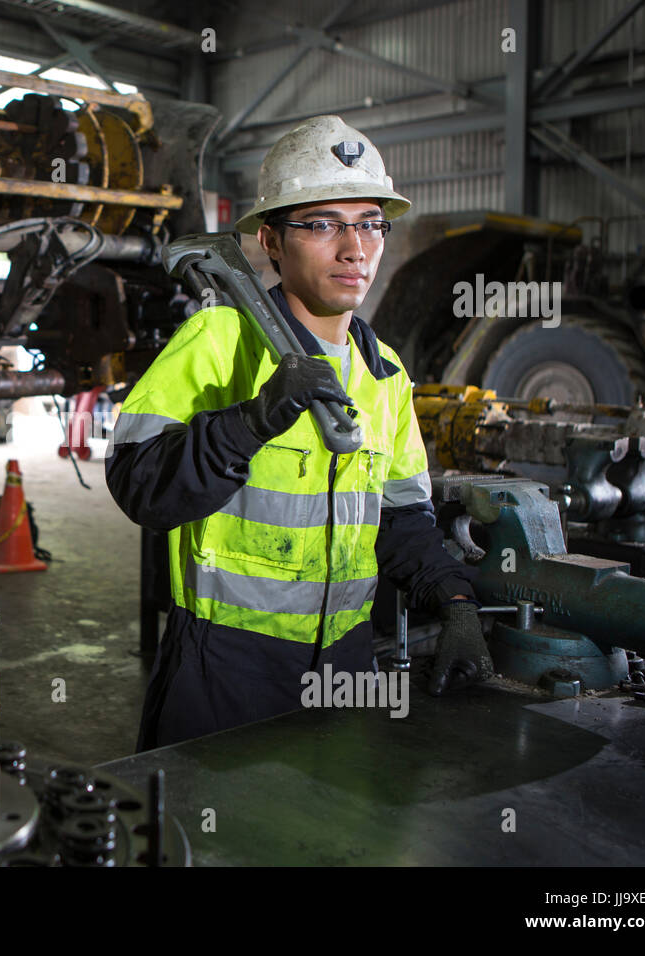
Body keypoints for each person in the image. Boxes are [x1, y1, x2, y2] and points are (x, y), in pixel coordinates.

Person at [106, 115, 493, 751]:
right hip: (225, 669)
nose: (355, 248)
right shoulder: (219, 341)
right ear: (272, 241)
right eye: (322, 224)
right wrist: (250, 422)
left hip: (346, 667)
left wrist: (455, 600)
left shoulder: (385, 373)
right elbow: (141, 488)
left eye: (370, 223)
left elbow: (401, 521)